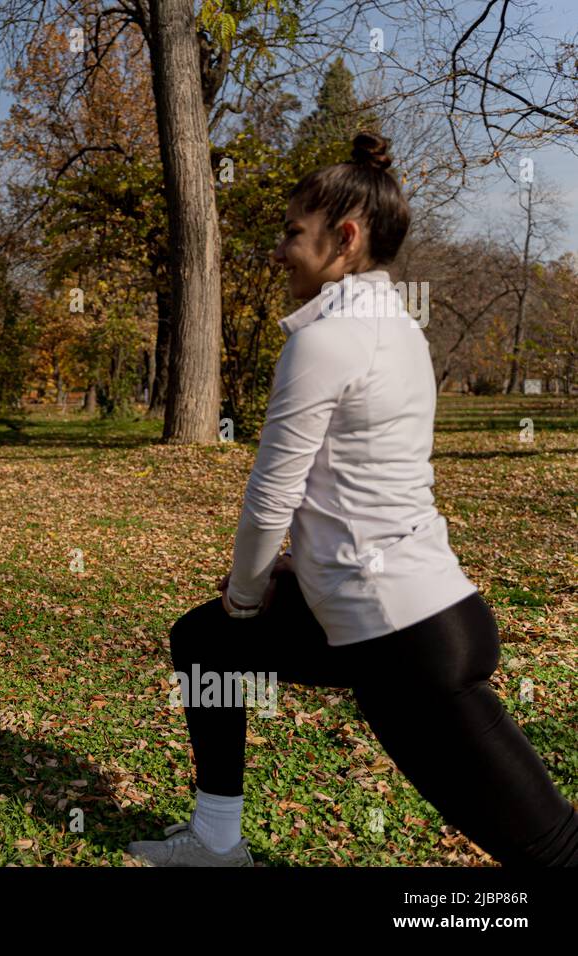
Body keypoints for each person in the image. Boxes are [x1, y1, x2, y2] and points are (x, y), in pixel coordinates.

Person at [129, 133, 578, 867]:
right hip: (424, 618)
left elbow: (273, 492)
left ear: (345, 238)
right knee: (204, 643)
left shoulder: (327, 340)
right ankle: (216, 839)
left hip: (404, 646)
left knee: (554, 855)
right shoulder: (401, 330)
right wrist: (286, 574)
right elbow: (358, 488)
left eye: (292, 233)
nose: (279, 251)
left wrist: (245, 597)